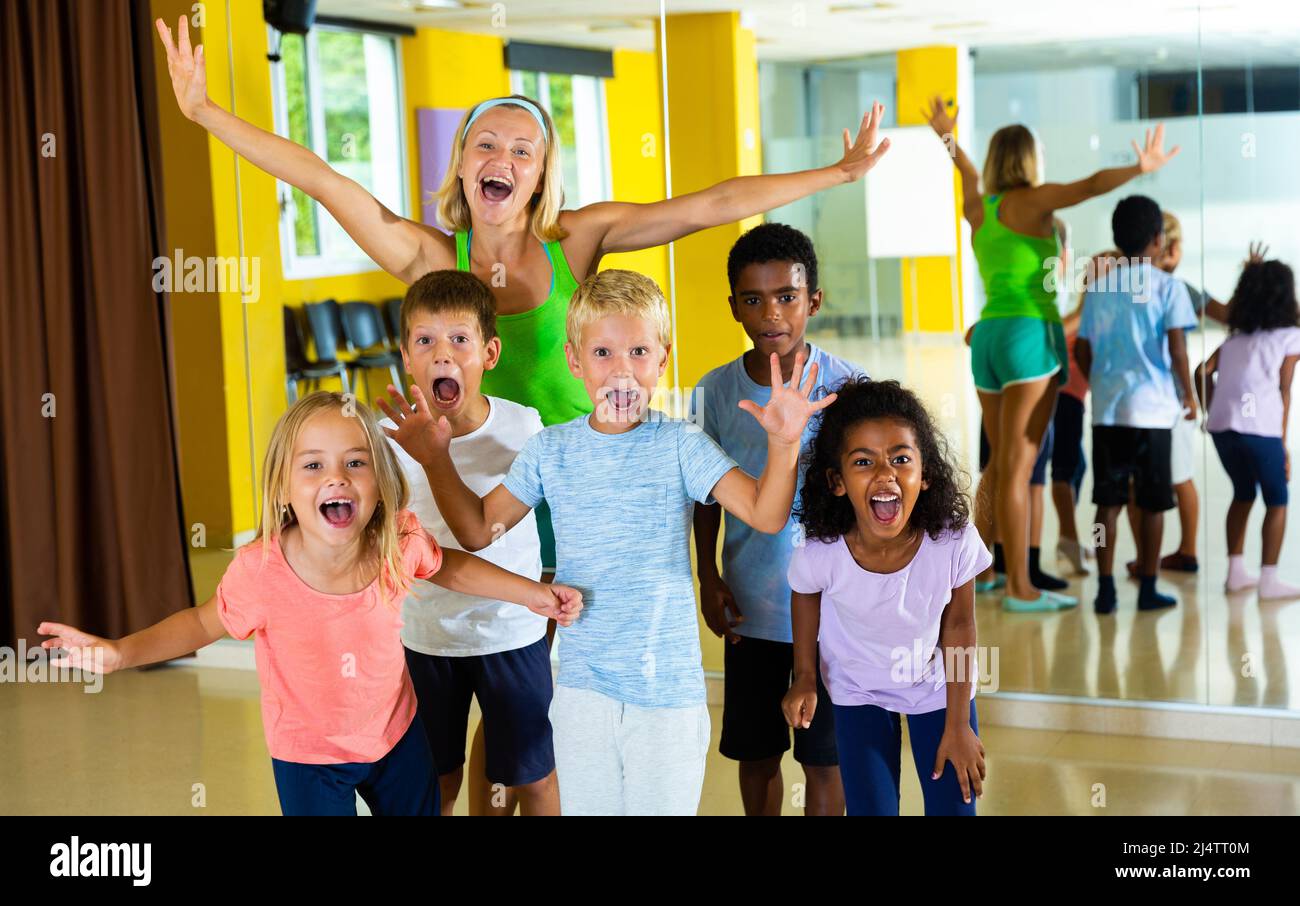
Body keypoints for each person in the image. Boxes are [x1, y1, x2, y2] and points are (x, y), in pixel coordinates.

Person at [379, 269, 837, 815]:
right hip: (579, 693)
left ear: (663, 359)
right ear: (575, 362)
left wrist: (782, 445)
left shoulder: (682, 445)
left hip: (666, 696)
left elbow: (765, 514)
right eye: (603, 353)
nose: (622, 370)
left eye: (639, 351)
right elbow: (479, 530)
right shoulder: (550, 451)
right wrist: (435, 460)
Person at [38, 392, 580, 815]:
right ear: (283, 488)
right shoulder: (261, 571)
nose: (336, 477)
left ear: (382, 481)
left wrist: (532, 593)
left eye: (355, 463)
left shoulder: (395, 540)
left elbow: (451, 567)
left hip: (395, 738)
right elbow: (203, 622)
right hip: (308, 758)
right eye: (313, 466)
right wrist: (119, 653)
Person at [925, 95, 1178, 612]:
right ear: (1030, 161)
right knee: (1019, 468)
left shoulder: (981, 207)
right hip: (1028, 336)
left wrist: (945, 134)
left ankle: (986, 573)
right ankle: (1021, 588)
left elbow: (965, 167)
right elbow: (1087, 187)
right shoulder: (1033, 201)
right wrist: (1139, 168)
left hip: (988, 336)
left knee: (997, 467)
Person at [693, 223, 862, 816]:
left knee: (826, 759)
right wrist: (708, 578)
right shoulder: (713, 392)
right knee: (757, 754)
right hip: (752, 611)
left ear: (813, 300)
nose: (772, 313)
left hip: (833, 612)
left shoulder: (848, 386)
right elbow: (702, 495)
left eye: (787, 296)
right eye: (753, 299)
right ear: (733, 305)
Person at [383, 270, 559, 815]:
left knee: (531, 776)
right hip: (425, 638)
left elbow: (481, 535)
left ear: (490, 352)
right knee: (437, 780)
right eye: (425, 341)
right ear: (407, 358)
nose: (443, 355)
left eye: (460, 340)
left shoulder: (524, 427)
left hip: (511, 633)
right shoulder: (386, 442)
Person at [782, 378, 990, 816]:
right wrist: (803, 676)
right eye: (864, 461)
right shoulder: (822, 550)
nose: (885, 474)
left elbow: (959, 625)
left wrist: (958, 722)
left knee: (955, 807)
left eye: (901, 458)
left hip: (937, 689)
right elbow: (803, 595)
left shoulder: (951, 542)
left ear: (926, 474)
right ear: (837, 481)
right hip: (859, 688)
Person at [1076, 196, 1197, 615]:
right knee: (1153, 503)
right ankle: (1148, 586)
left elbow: (1083, 349)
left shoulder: (1101, 287)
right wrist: (1190, 396)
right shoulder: (1169, 287)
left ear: (1117, 238)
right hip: (1154, 413)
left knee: (1106, 503)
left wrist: (1099, 383)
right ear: (1158, 240)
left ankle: (1105, 589)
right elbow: (1178, 351)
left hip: (1109, 411)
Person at [1198, 257, 1300, 599]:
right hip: (1261, 430)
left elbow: (1201, 372)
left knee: (1243, 493)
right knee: (1277, 498)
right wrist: (1282, 445)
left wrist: (1210, 409)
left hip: (1222, 428)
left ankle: (1235, 573)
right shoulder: (1289, 337)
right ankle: (1269, 580)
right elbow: (1285, 391)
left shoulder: (1233, 340)